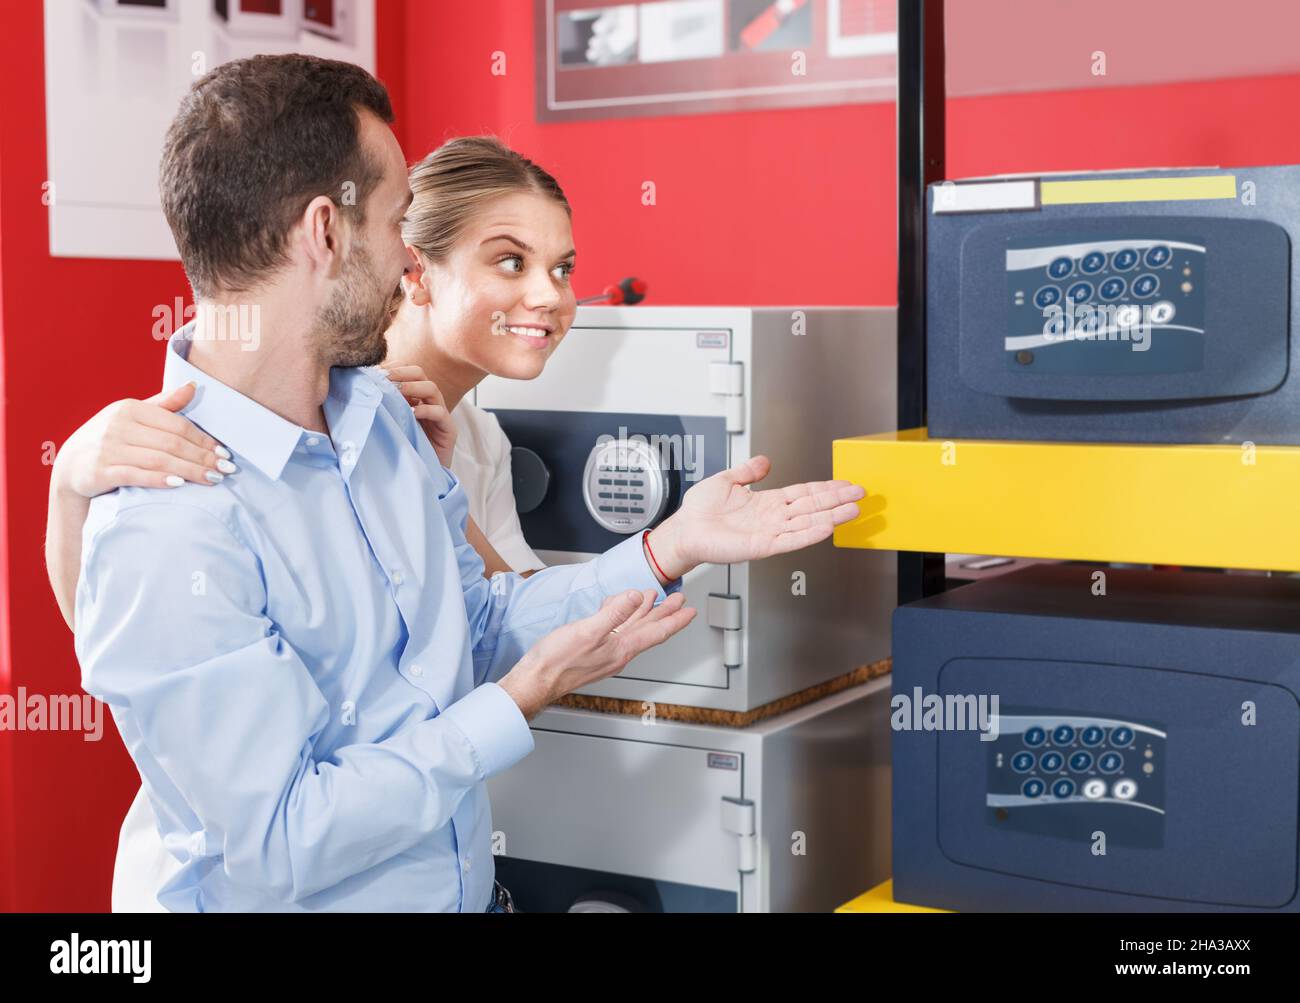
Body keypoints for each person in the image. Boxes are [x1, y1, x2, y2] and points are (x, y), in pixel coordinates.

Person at [63, 53, 866, 912]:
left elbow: (472, 624)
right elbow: (280, 842)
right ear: (325, 233)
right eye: (394, 221)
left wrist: (667, 547)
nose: (406, 254)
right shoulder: (169, 521)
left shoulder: (384, 425)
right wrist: (513, 706)